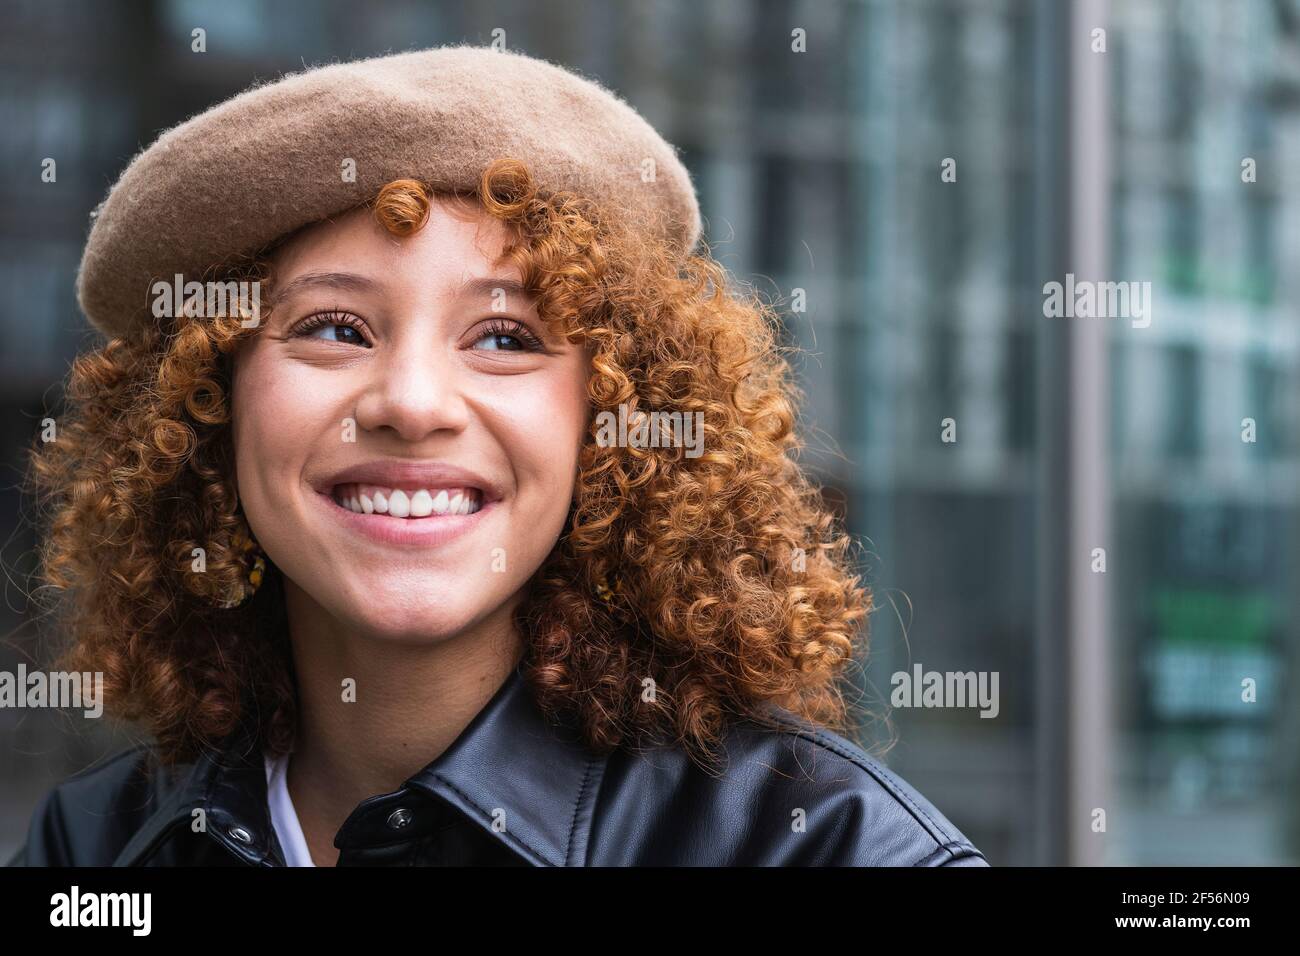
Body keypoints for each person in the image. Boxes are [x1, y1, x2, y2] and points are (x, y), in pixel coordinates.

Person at [10, 45, 987, 867]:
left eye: (506, 337)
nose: (413, 403)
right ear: (210, 403)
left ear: (609, 413)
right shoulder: (96, 848)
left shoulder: (820, 847)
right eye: (336, 328)